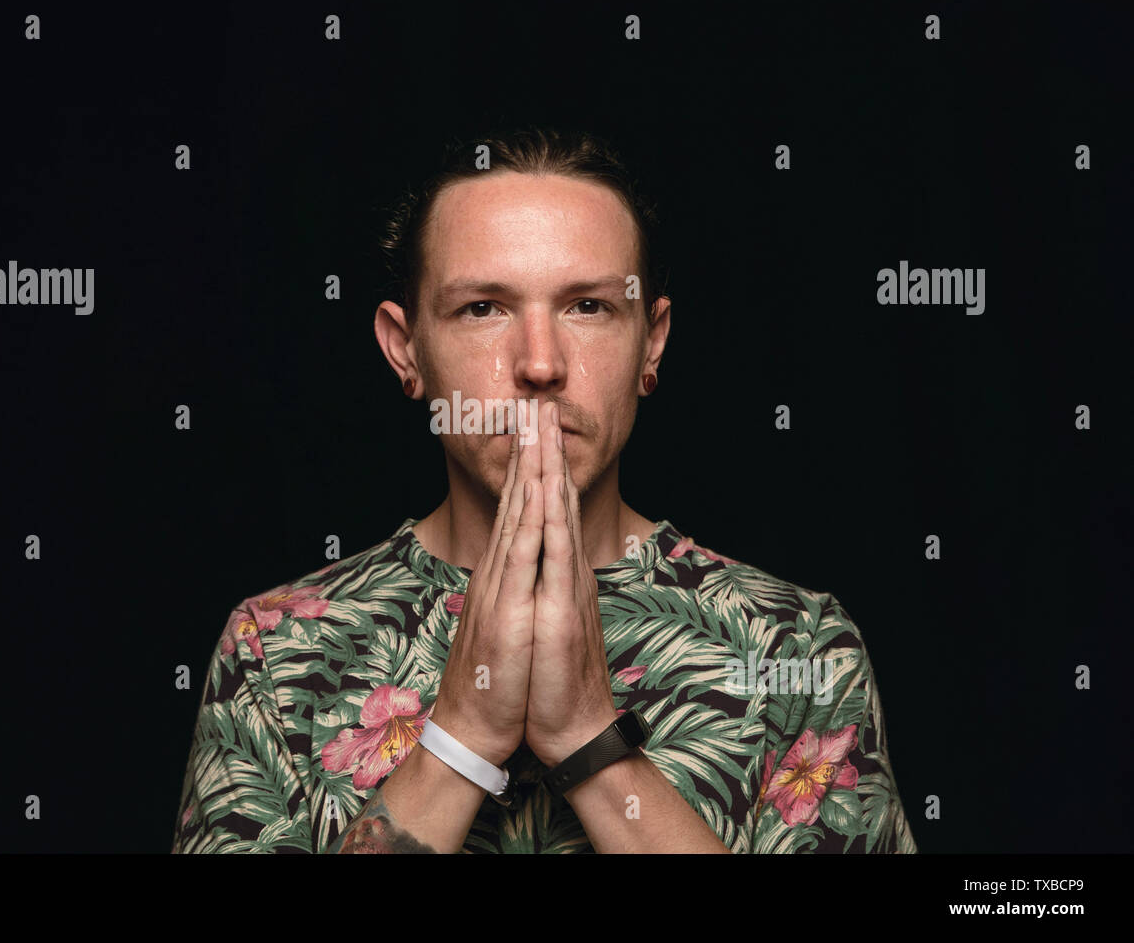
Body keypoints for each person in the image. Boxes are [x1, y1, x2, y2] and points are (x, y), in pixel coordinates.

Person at [170, 127, 917, 854]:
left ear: (650, 343)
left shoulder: (797, 649)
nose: (538, 364)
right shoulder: (274, 651)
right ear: (407, 351)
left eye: (588, 306)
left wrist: (590, 740)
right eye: (482, 308)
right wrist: (459, 736)